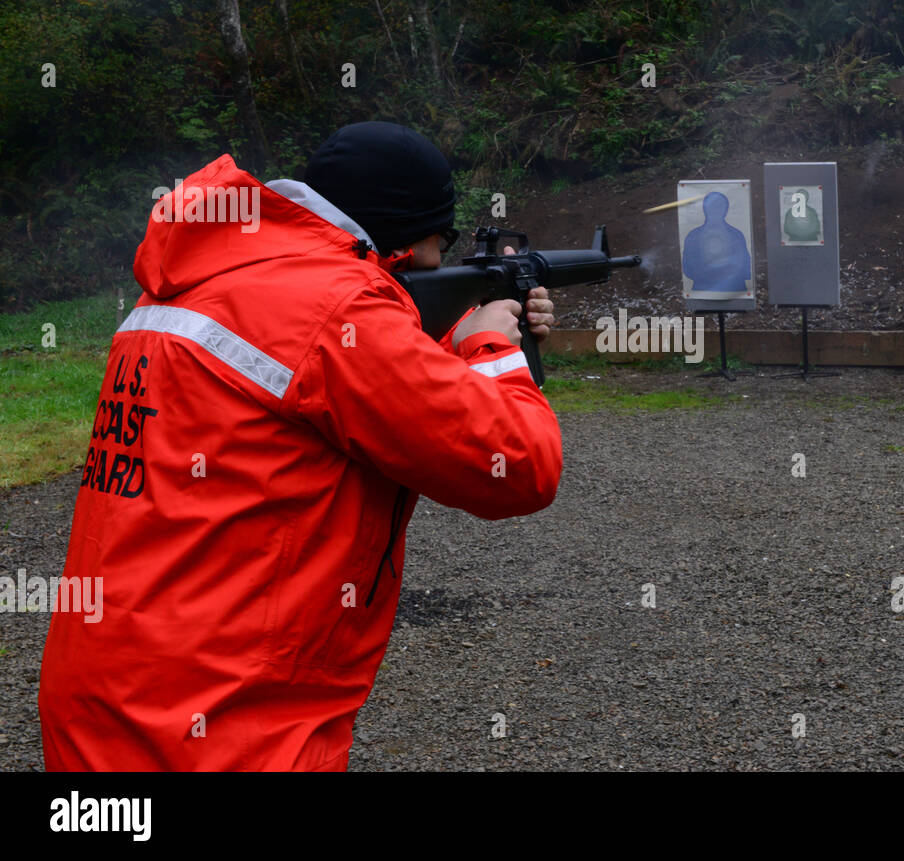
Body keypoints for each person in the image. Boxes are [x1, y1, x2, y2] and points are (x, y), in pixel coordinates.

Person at [38, 121, 563, 770]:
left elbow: (318, 388)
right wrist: (492, 349)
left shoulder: (200, 276)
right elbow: (519, 466)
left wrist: (450, 332)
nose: (439, 259)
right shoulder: (338, 308)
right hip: (225, 727)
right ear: (403, 243)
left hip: (104, 703)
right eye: (439, 242)